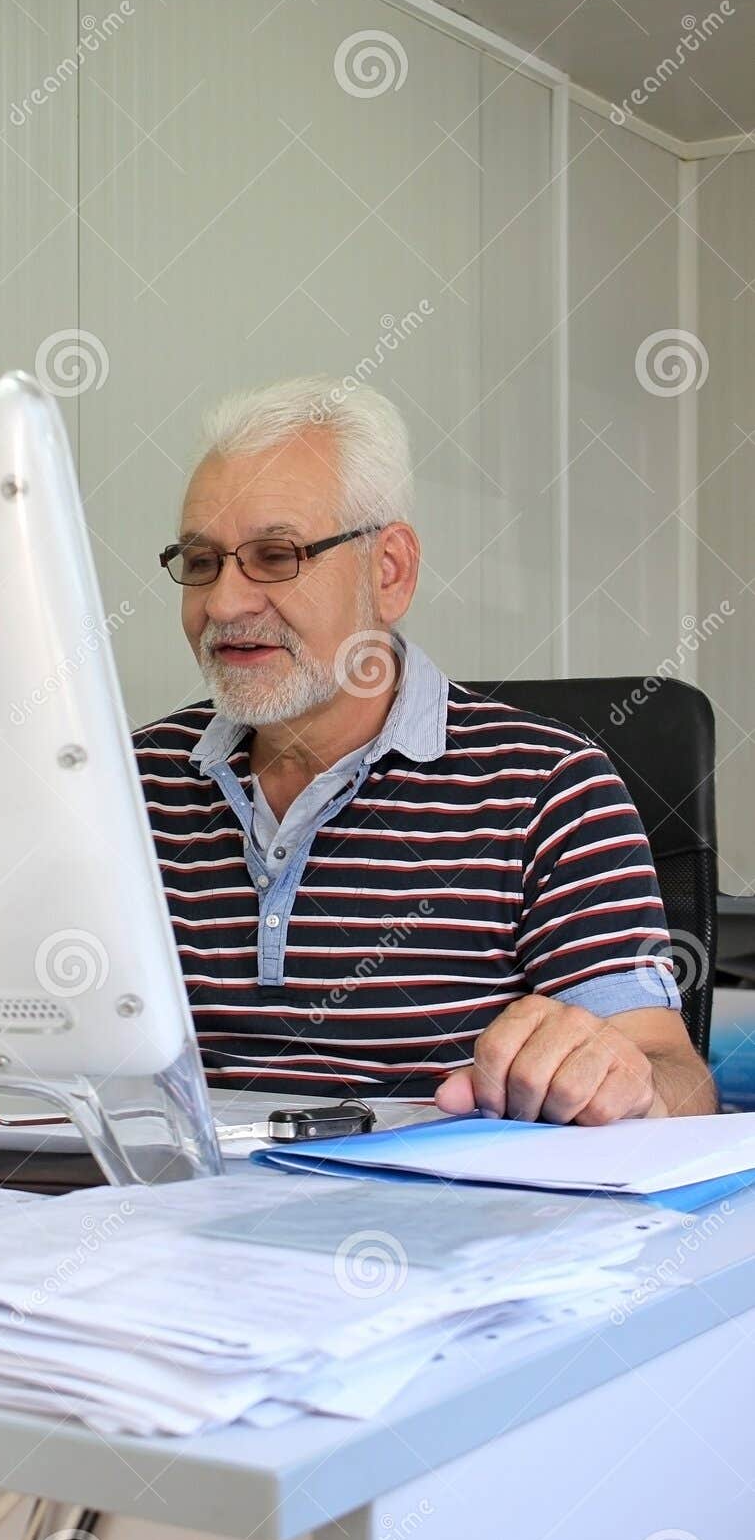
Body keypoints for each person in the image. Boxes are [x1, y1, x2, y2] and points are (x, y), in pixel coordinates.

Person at [133, 376, 715, 1123]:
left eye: (274, 556)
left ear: (389, 571)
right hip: (165, 1226)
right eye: (203, 561)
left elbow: (679, 1086)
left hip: (436, 1226)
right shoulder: (126, 785)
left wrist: (621, 1081)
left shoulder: (550, 789)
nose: (222, 603)